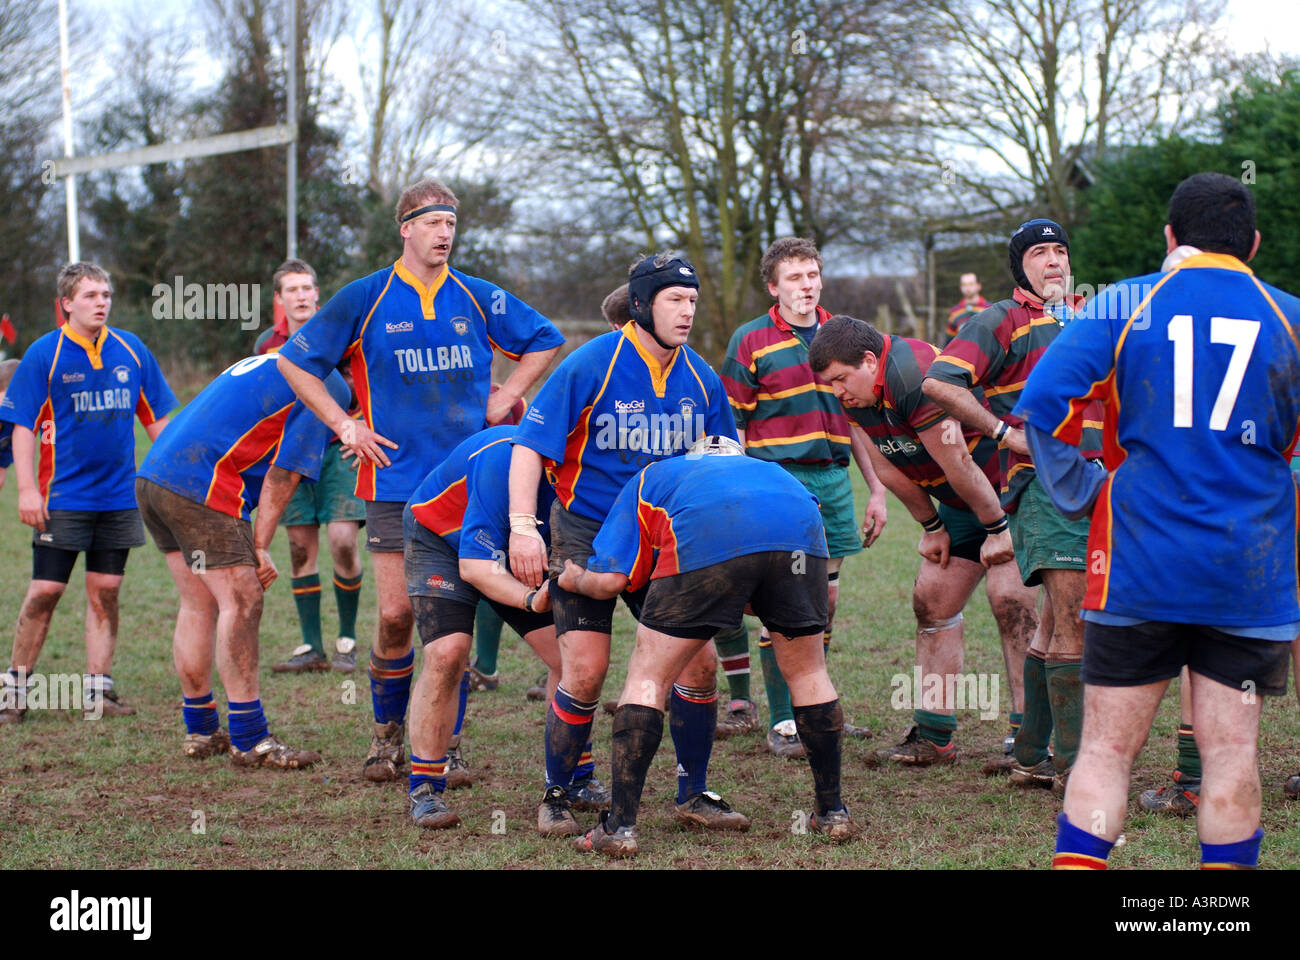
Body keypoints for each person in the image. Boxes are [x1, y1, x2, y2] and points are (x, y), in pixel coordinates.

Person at [1016, 172, 1300, 869]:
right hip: (1248, 570)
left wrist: (1087, 491)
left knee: (1107, 750)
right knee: (1231, 752)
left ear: (1171, 238)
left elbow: (1043, 405)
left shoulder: (1121, 302)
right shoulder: (1290, 315)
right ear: (1254, 244)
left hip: (1139, 564)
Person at [275, 178, 564, 782]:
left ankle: (445, 745)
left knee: (448, 625)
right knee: (396, 616)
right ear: (406, 228)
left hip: (468, 486)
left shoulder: (477, 296)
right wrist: (344, 426)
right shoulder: (366, 298)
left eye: (452, 225)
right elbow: (294, 361)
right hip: (394, 484)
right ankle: (385, 737)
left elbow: (545, 339)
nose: (445, 234)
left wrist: (509, 393)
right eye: (434, 223)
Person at [508, 252, 744, 837]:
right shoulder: (591, 364)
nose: (686, 312)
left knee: (701, 666)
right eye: (674, 300)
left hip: (662, 538)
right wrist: (520, 525)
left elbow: (724, 464)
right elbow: (528, 446)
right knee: (585, 670)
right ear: (641, 305)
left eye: (692, 301)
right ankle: (557, 793)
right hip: (587, 533)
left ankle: (693, 793)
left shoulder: (701, 377)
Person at [558, 435, 853, 856]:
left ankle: (619, 827)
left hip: (708, 536)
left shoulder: (656, 475)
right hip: (799, 539)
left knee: (648, 676)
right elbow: (786, 542)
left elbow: (610, 581)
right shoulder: (775, 473)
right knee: (809, 673)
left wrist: (573, 579)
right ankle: (832, 812)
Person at [809, 314, 1036, 765]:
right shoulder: (856, 391)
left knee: (1010, 599)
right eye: (830, 382)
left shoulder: (915, 376)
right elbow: (887, 467)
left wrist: (995, 530)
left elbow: (959, 464)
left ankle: (1031, 740)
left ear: (870, 361)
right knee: (932, 600)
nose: (837, 391)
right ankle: (934, 736)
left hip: (1004, 489)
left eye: (840, 379)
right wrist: (932, 527)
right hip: (960, 499)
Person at [923, 219, 1097, 793]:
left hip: (1100, 483)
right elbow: (940, 382)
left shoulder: (1087, 316)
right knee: (1074, 620)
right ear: (1019, 265)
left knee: (1053, 620)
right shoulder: (1001, 319)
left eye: (1060, 251)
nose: (1053, 261)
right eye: (1039, 253)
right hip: (1046, 486)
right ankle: (1077, 773)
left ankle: (1030, 755)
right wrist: (1003, 431)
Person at [136, 352, 352, 767]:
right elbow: (284, 473)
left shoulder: (276, 357)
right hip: (203, 482)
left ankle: (201, 728)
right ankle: (251, 739)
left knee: (198, 603)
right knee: (243, 599)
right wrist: (261, 545)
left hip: (156, 476)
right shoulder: (326, 382)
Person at [721, 237, 887, 756]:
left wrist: (878, 489)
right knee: (786, 602)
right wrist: (746, 490)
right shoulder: (749, 341)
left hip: (834, 481)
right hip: (777, 481)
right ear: (774, 287)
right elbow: (733, 424)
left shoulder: (845, 336)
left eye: (813, 274)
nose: (807, 285)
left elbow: (860, 421)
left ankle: (818, 712)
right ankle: (783, 721)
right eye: (795, 277)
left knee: (826, 602)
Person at [0, 263, 176, 722]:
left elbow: (159, 422)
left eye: (106, 294)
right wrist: (25, 490)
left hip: (118, 499)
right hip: (61, 499)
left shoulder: (131, 350)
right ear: (67, 304)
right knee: (45, 591)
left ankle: (98, 691)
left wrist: (184, 471)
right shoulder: (45, 354)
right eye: (91, 295)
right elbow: (21, 428)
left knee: (106, 591)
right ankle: (14, 690)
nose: (102, 302)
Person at [402, 425, 575, 827]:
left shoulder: (587, 469)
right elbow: (475, 566)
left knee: (570, 659)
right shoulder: (503, 463)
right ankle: (425, 787)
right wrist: (531, 599)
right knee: (448, 654)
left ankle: (574, 777)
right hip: (441, 539)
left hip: (518, 544)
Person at [255, 258, 365, 674]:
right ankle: (311, 647)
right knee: (301, 548)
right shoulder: (267, 343)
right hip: (287, 458)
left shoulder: (342, 335)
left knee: (342, 540)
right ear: (279, 299)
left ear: (317, 293)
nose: (301, 296)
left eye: (307, 288)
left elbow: (371, 386)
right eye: (292, 290)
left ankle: (348, 640)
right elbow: (261, 398)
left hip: (338, 451)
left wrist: (365, 425)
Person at [943, 273, 990, 345]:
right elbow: (950, 341)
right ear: (960, 287)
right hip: (961, 354)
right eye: (964, 285)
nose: (967, 288)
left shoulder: (989, 309)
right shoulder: (955, 312)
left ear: (979, 286)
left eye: (971, 284)